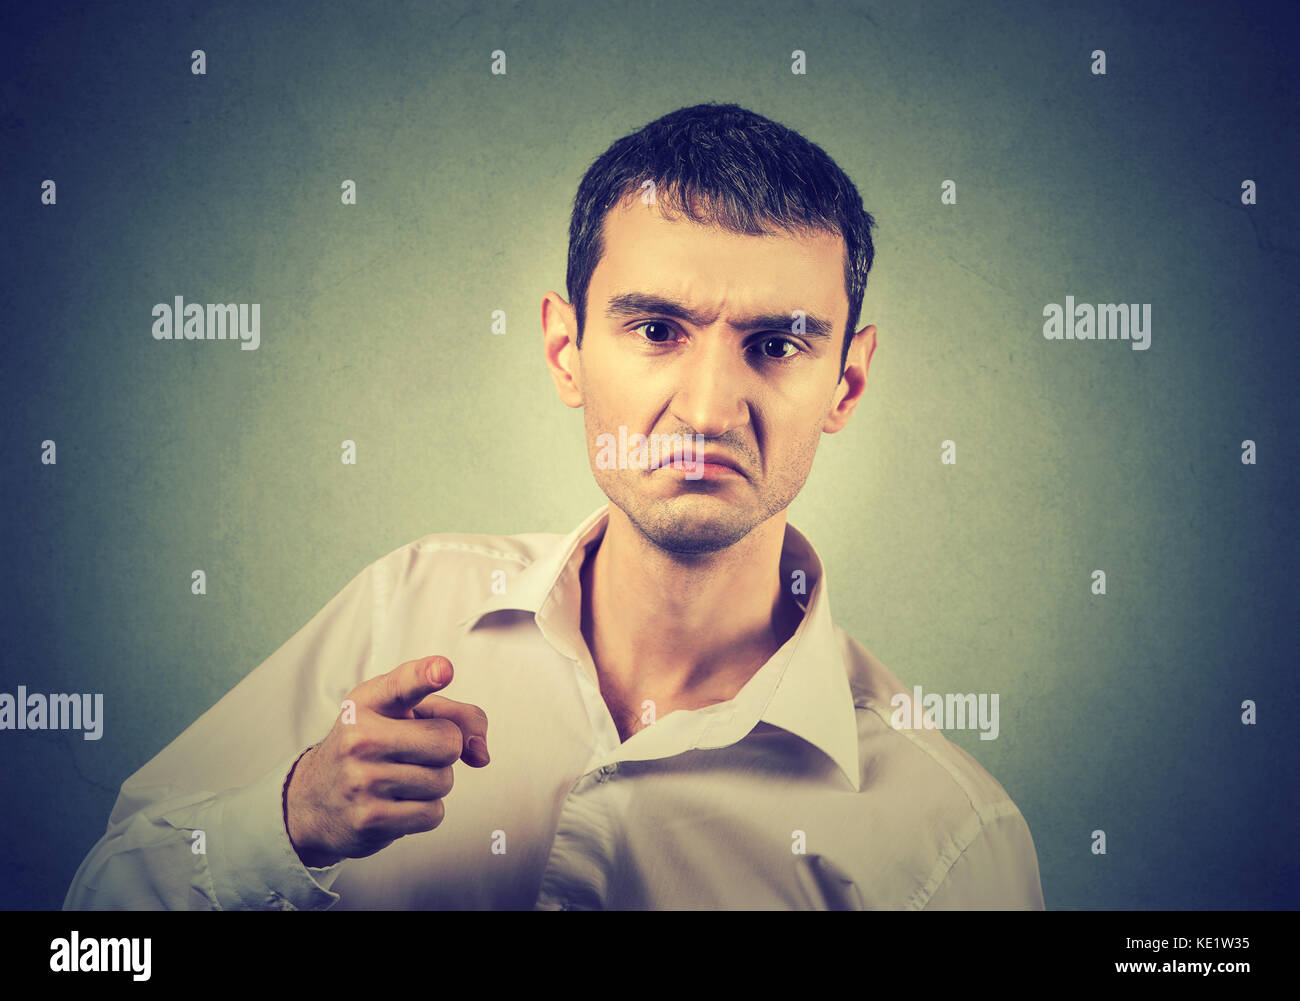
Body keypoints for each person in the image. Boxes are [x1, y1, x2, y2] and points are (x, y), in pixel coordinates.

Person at [64, 102, 1044, 910]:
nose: (706, 409)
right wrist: (291, 819)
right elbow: (96, 925)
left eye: (778, 344)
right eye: (655, 328)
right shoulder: (405, 605)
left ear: (847, 382)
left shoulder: (949, 840)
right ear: (564, 349)